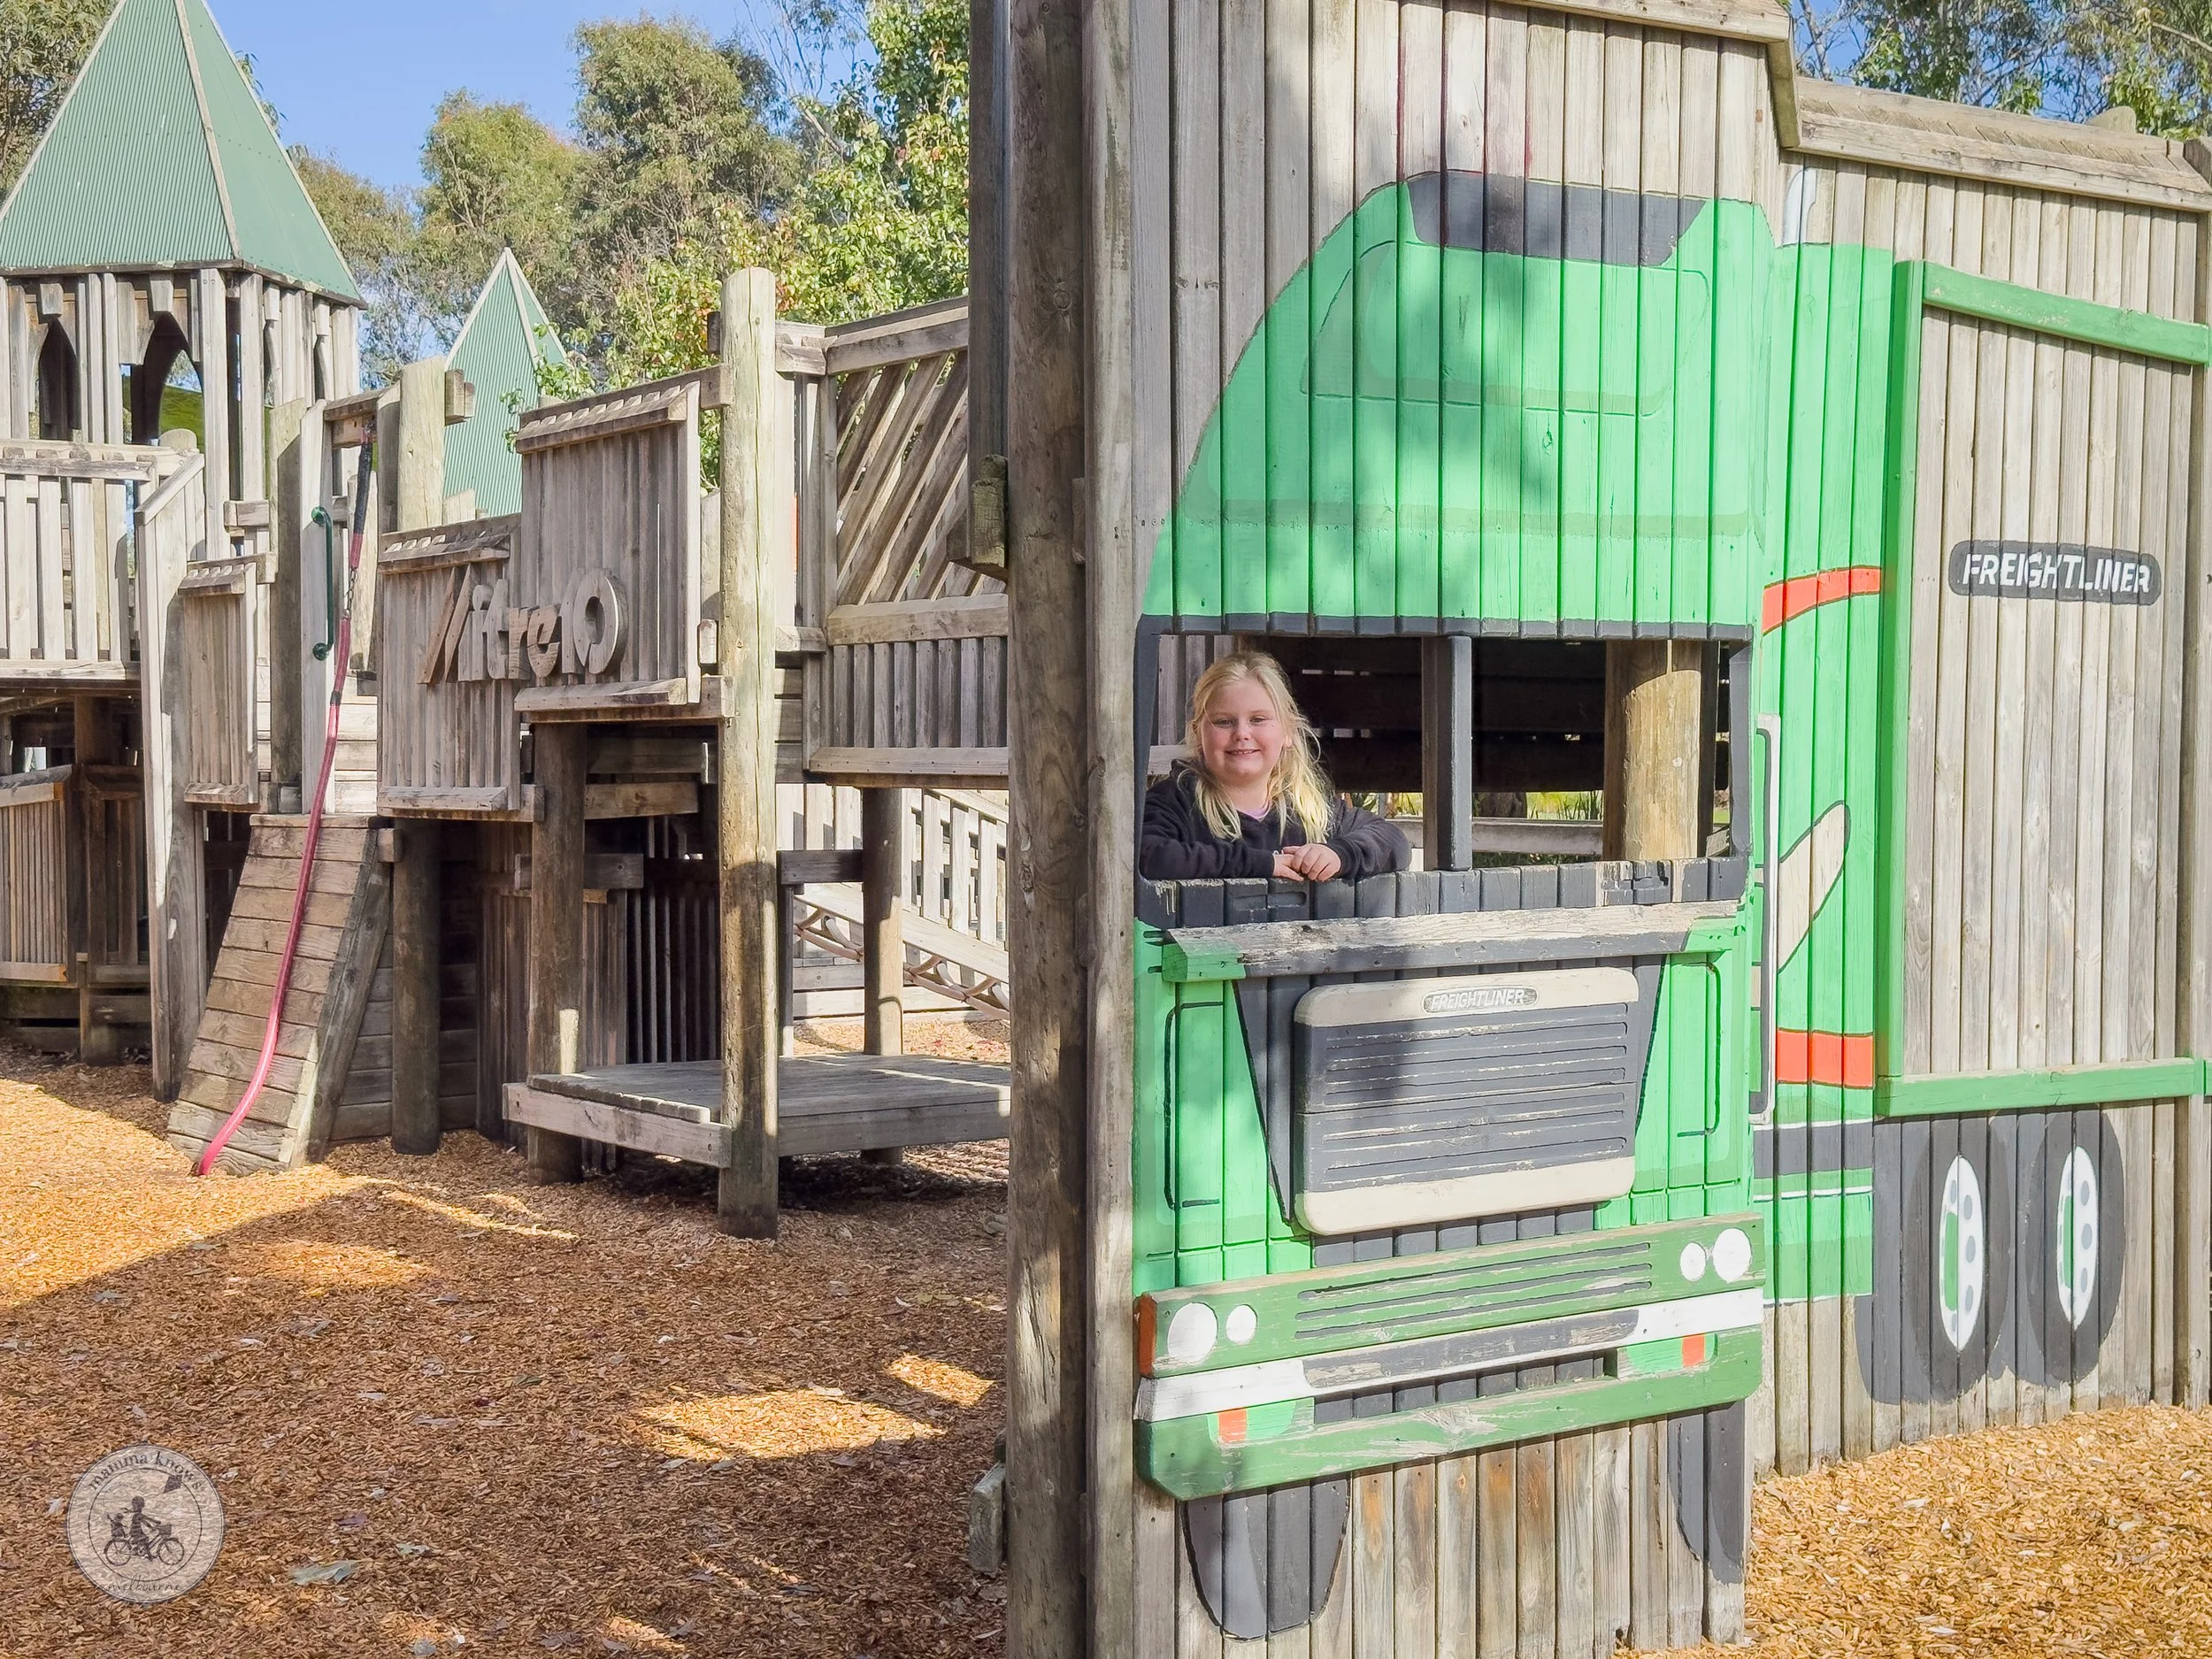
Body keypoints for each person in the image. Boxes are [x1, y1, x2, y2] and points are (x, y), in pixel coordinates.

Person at [1141, 649, 1410, 882]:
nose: (1242, 733)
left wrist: (1339, 855)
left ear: (1288, 733)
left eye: (1258, 719)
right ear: (1198, 733)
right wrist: (1264, 864)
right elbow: (1150, 857)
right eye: (1224, 721)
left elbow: (1394, 841)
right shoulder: (1171, 803)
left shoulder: (1310, 811)